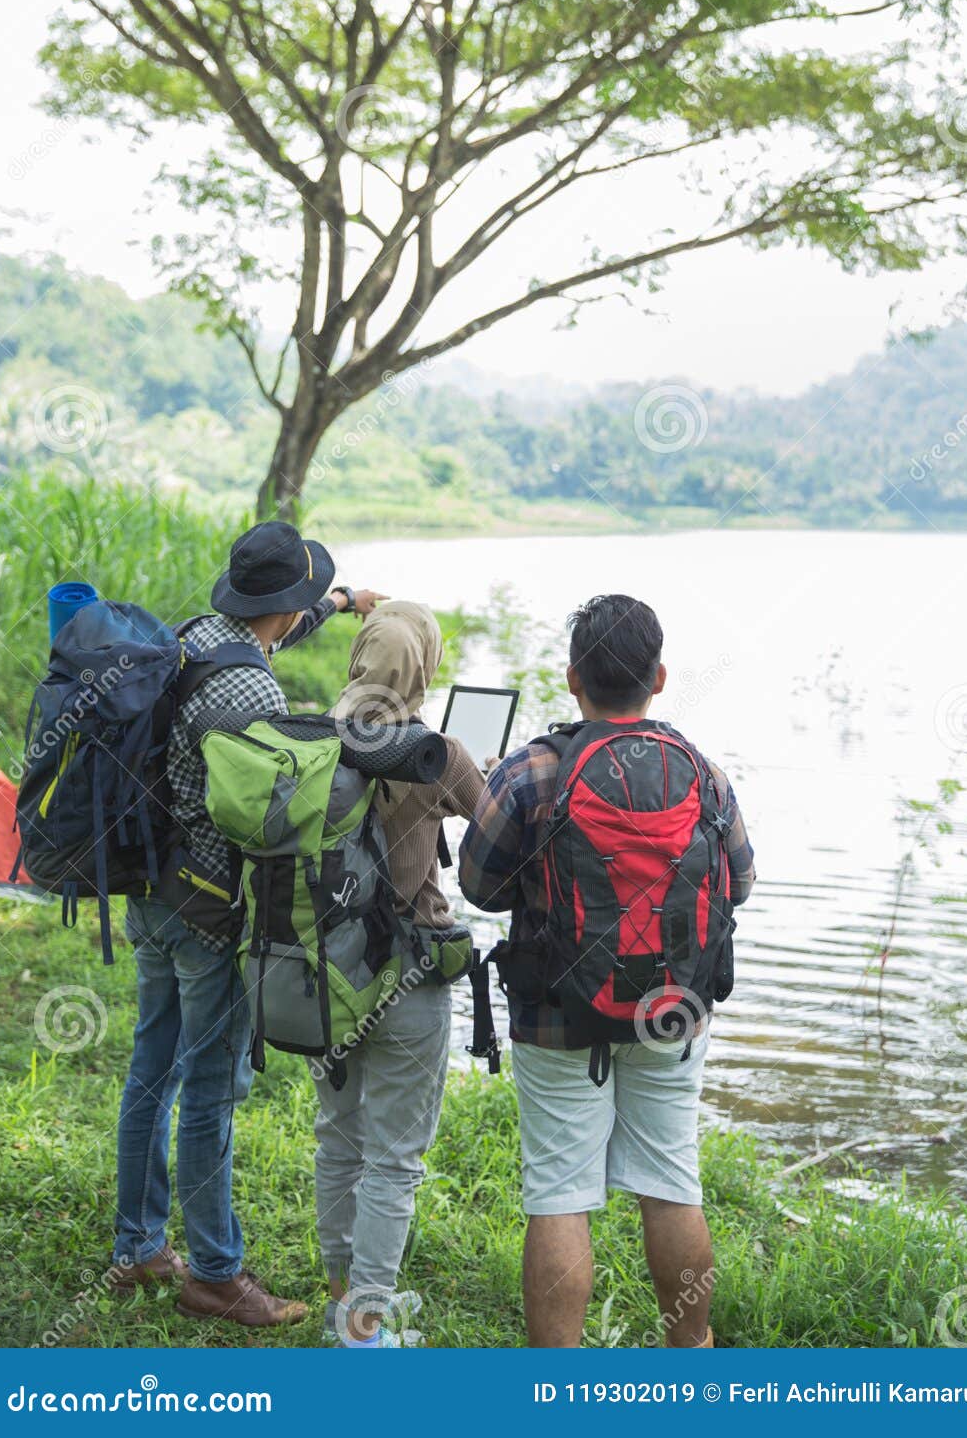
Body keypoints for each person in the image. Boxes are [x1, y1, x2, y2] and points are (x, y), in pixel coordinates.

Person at [459, 594, 756, 1349]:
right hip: (673, 1009)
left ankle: (555, 1386)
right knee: (670, 1183)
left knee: (559, 1193)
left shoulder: (531, 773)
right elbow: (739, 884)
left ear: (571, 678)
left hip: (557, 1012)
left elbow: (478, 888)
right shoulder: (704, 774)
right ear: (658, 678)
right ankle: (690, 1357)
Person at [112, 520, 384, 1327]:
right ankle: (216, 1274)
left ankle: (138, 1249)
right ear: (284, 601)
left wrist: (343, 602)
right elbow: (267, 817)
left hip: (150, 888)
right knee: (206, 1090)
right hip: (204, 908)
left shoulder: (196, 636)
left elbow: (276, 627)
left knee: (150, 1068)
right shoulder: (254, 692)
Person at [313, 600, 485, 1348]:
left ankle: (342, 1291)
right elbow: (502, 825)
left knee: (338, 1139)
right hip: (406, 975)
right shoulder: (435, 751)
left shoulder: (307, 738)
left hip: (318, 978)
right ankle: (366, 1326)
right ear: (421, 666)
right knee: (393, 1159)